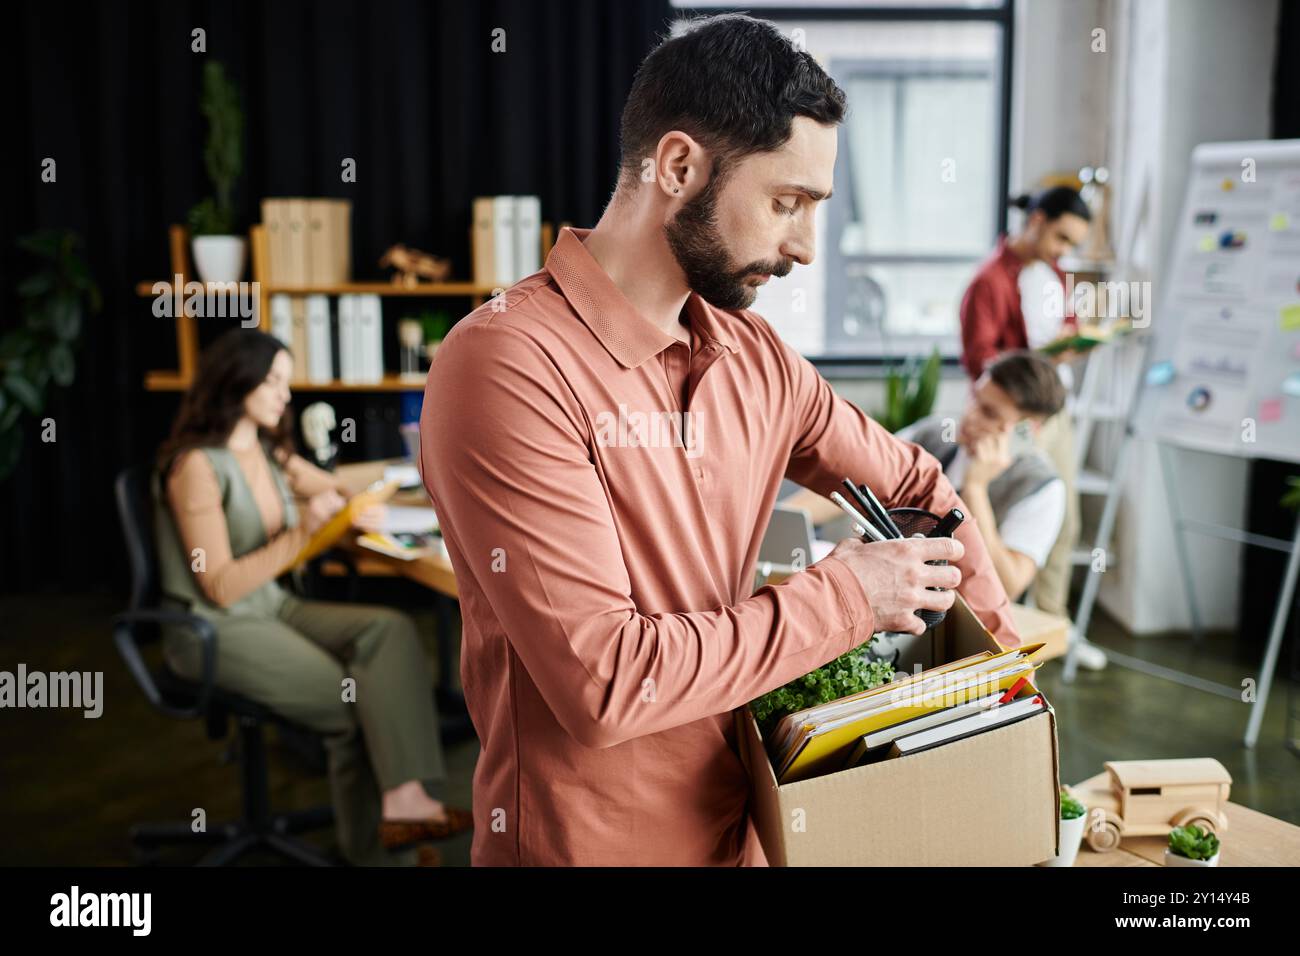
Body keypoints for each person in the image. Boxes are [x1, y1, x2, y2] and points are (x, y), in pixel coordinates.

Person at [420, 13, 1019, 867]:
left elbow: (921, 489)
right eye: (786, 203)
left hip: (746, 836)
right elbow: (607, 683)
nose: (807, 249)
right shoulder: (506, 363)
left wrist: (1004, 689)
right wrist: (850, 597)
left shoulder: (757, 358)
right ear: (677, 166)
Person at [153, 328, 472, 866]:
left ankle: (404, 798)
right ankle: (374, 854)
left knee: (387, 630)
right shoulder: (197, 467)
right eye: (273, 380)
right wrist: (303, 532)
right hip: (215, 625)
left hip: (272, 607)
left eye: (286, 380)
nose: (285, 393)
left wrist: (367, 492)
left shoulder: (266, 451)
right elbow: (220, 585)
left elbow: (333, 487)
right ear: (237, 381)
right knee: (352, 702)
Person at [960, 185, 1091, 619]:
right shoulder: (990, 281)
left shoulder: (1050, 274)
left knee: (1063, 519)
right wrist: (1038, 362)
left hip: (1052, 415)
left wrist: (1071, 342)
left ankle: (1054, 625)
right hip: (1010, 419)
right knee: (1000, 516)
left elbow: (1063, 325)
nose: (1064, 250)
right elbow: (982, 362)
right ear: (1036, 222)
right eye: (1062, 238)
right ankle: (998, 624)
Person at [896, 351, 1066, 603]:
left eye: (988, 412)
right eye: (974, 398)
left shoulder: (1042, 486)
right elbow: (857, 473)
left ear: (1025, 432)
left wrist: (975, 488)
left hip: (966, 618)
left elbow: (1007, 586)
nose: (970, 415)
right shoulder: (932, 435)